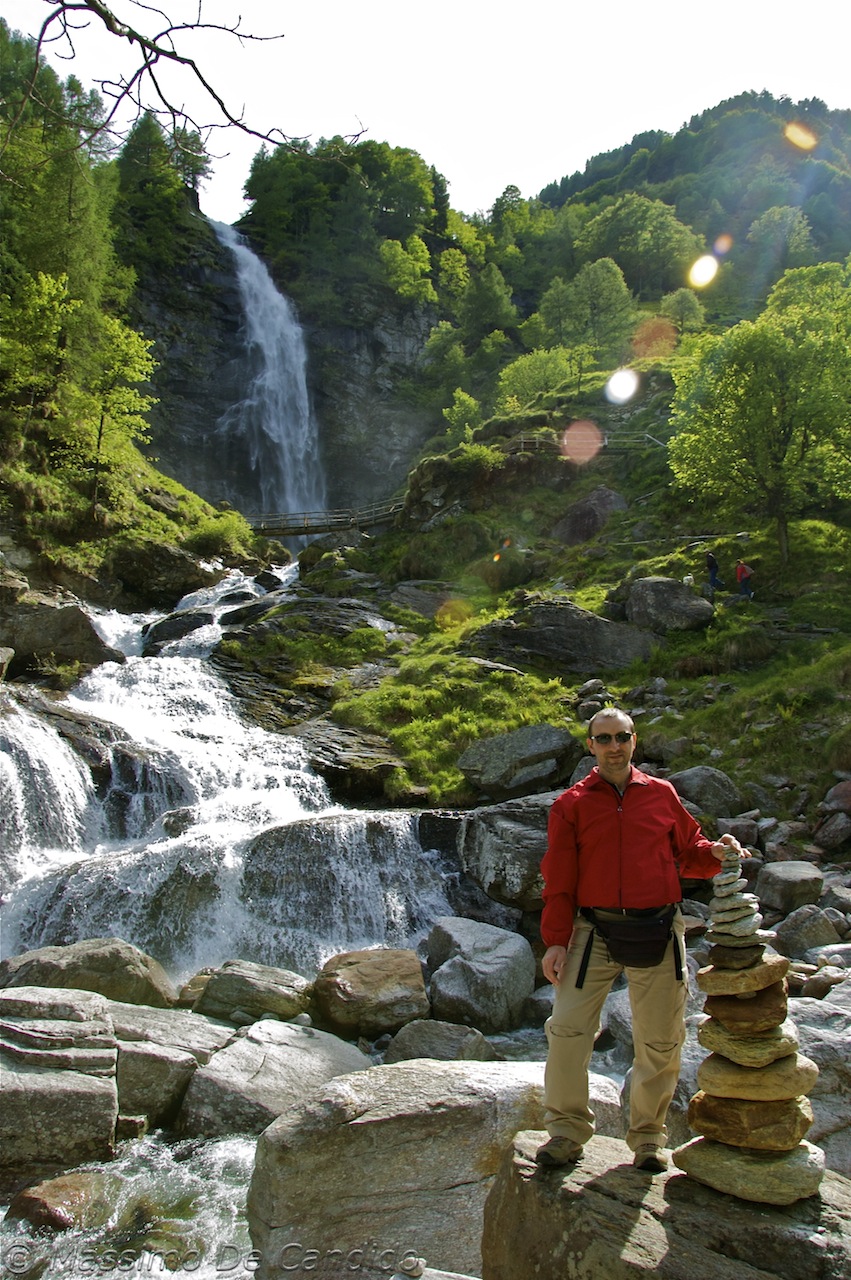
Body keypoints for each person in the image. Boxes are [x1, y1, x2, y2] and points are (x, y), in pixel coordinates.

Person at [536, 707, 748, 1173]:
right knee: (568, 1031)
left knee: (660, 1039)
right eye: (604, 738)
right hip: (593, 930)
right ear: (590, 746)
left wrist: (714, 852)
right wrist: (555, 941)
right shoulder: (570, 804)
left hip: (658, 926)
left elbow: (688, 851)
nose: (614, 746)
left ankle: (649, 1138)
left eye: (622, 737)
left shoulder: (661, 795)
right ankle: (566, 1133)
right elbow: (559, 880)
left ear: (635, 741)